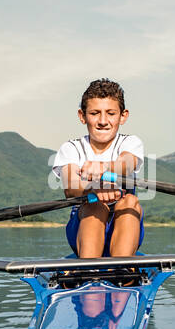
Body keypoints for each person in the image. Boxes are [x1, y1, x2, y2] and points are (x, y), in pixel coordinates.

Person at [52, 79, 144, 258]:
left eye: (110, 113)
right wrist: (94, 189)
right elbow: (70, 188)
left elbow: (127, 163)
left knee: (129, 201)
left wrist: (105, 168)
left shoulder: (130, 142)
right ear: (82, 116)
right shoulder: (71, 148)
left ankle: (122, 270)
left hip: (123, 225)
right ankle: (89, 271)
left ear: (123, 116)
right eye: (95, 113)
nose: (103, 121)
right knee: (96, 206)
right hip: (83, 225)